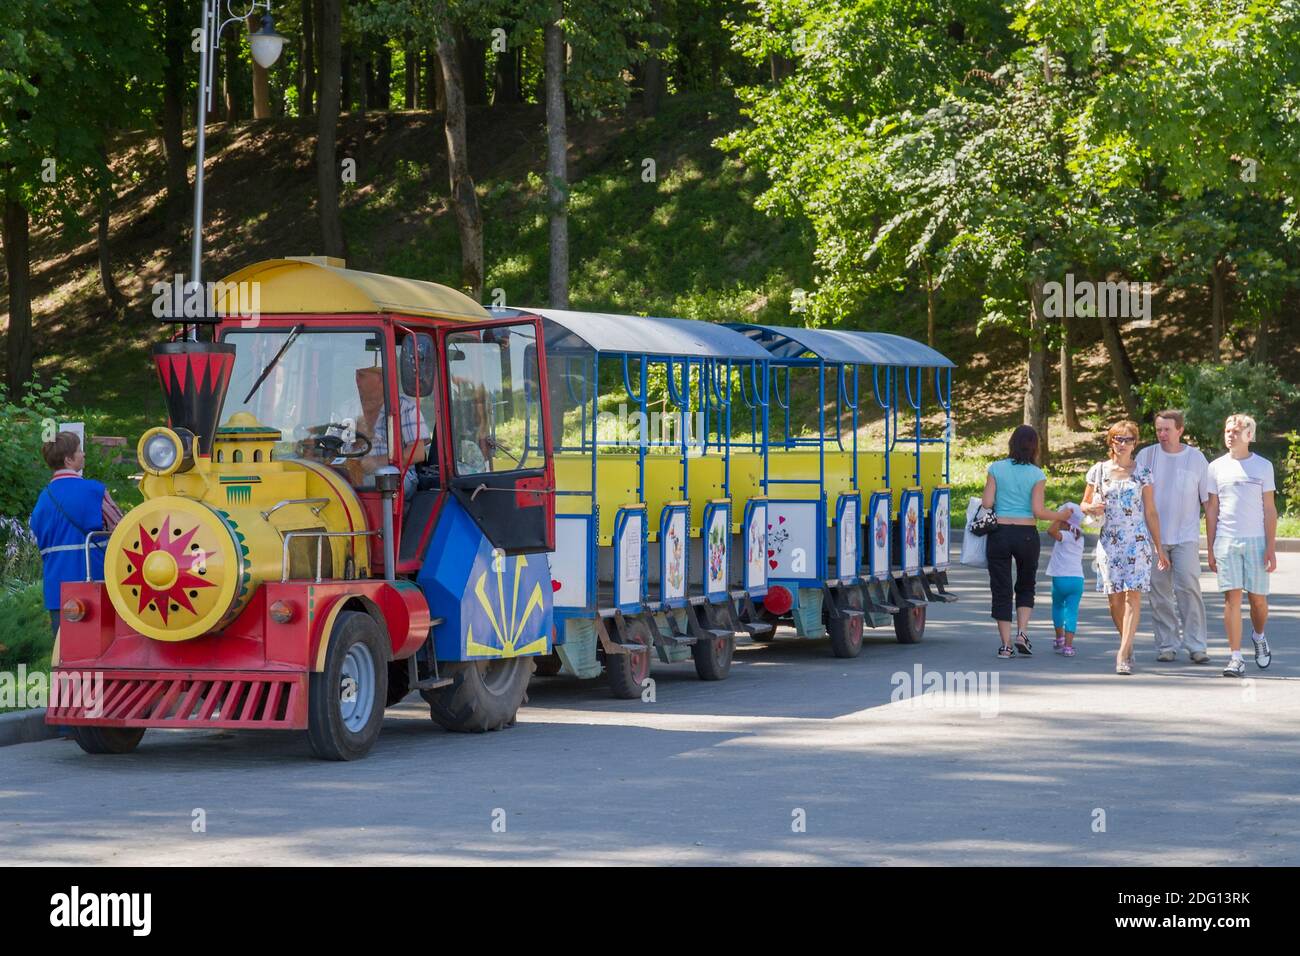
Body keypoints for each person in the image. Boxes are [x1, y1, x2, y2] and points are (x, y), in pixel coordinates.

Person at [1081, 420, 1169, 675]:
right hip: (1109, 541)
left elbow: (1151, 511)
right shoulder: (1098, 471)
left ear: (1135, 443)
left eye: (1127, 440)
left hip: (1137, 541)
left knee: (1133, 594)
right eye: (1118, 439)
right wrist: (1092, 508)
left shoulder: (1143, 473)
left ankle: (1123, 652)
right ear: (1111, 442)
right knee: (1114, 599)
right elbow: (1083, 504)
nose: (1122, 444)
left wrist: (1159, 547)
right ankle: (1127, 643)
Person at [980, 425, 1072, 659]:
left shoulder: (996, 468)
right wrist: (1060, 516)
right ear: (1034, 447)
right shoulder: (1037, 474)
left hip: (999, 533)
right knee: (1025, 585)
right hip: (1026, 534)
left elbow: (988, 503)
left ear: (1011, 443)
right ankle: (1022, 633)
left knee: (1001, 588)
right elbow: (1038, 511)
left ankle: (1005, 645)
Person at [29, 432, 123, 636]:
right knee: (101, 646)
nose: (84, 454)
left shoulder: (43, 499)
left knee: (66, 652)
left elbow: (37, 537)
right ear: (68, 459)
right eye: (79, 450)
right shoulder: (94, 491)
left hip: (56, 588)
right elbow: (122, 528)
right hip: (94, 581)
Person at [1135, 409, 1211, 664]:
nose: (1162, 434)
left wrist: (1212, 540)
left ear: (1180, 430)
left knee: (1189, 588)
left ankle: (1196, 644)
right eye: (1158, 429)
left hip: (1186, 536)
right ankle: (1167, 644)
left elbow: (1207, 501)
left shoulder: (1196, 459)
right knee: (1159, 593)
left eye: (1167, 429)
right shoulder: (1146, 456)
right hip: (1153, 537)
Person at [1205, 413, 1277, 678]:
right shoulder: (1215, 467)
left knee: (1258, 601)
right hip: (1226, 540)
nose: (1230, 434)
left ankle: (1258, 636)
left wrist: (1270, 547)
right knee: (1231, 599)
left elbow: (1269, 509)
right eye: (1227, 430)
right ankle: (1235, 657)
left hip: (1256, 541)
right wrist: (1211, 547)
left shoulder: (1263, 466)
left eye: (1235, 431)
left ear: (1249, 435)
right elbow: (1212, 509)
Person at [352, 365, 430, 500]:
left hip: (396, 475)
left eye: (362, 375)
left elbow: (417, 453)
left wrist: (376, 462)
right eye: (356, 375)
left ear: (381, 379)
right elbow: (337, 449)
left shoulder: (405, 407)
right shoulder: (349, 408)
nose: (356, 380)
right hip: (354, 473)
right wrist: (356, 441)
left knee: (371, 484)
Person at [1046, 502, 1086, 658]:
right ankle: (1068, 647)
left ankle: (1060, 638)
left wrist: (1059, 517)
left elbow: (1050, 531)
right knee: (1072, 612)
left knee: (1057, 607)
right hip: (1077, 580)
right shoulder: (1079, 537)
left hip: (1060, 579)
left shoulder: (1065, 536)